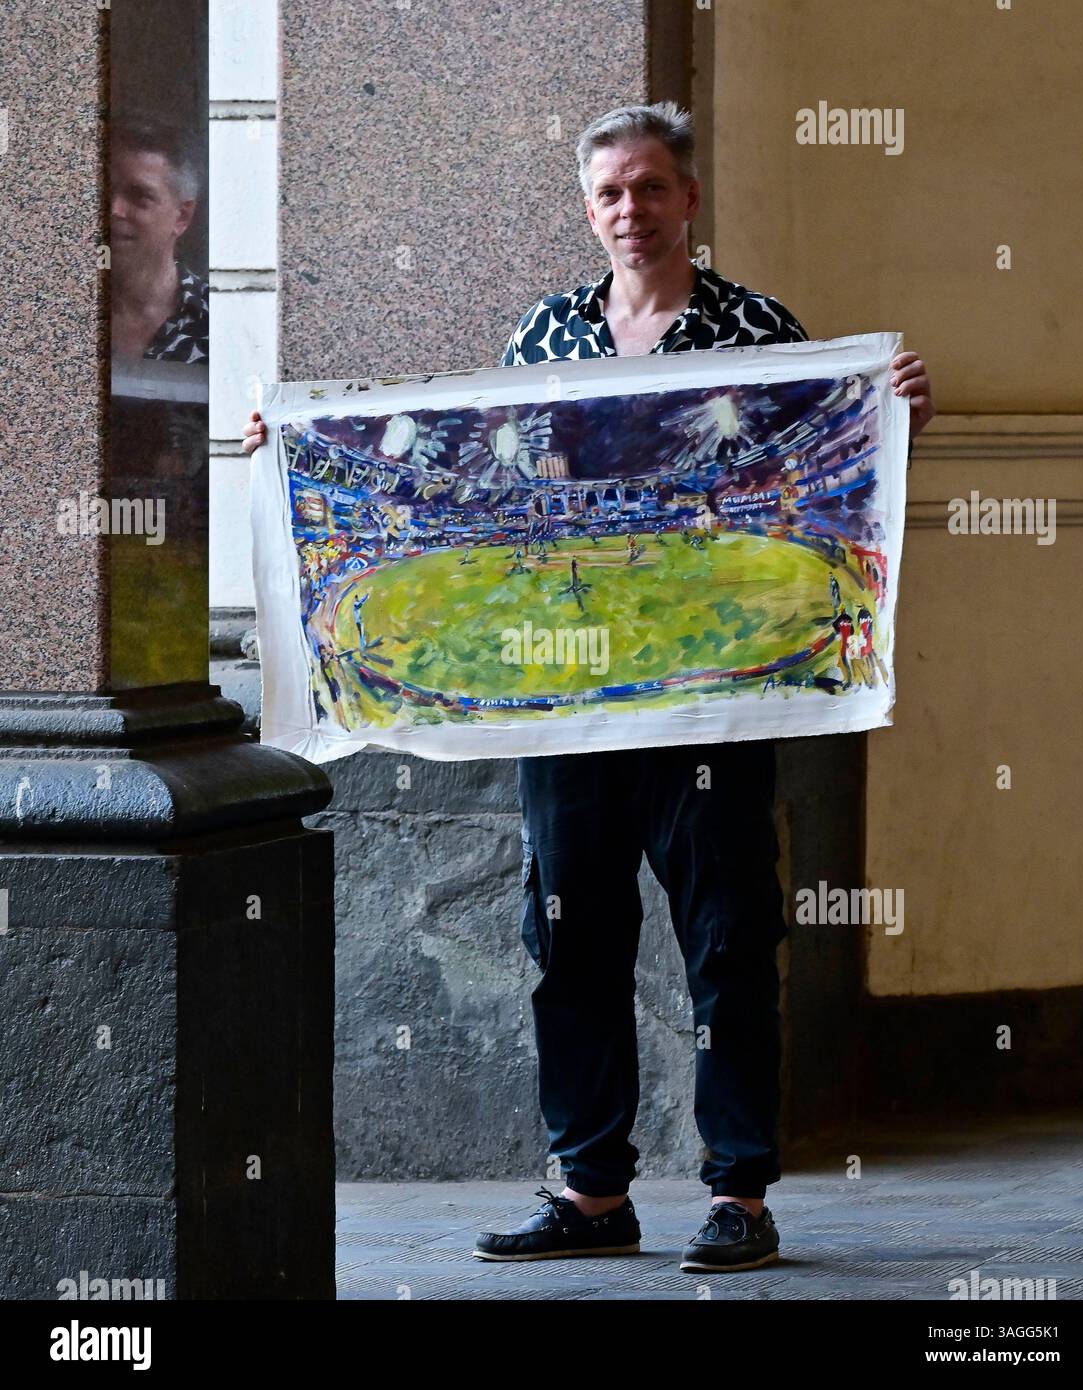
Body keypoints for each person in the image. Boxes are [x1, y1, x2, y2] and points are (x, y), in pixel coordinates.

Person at [241, 101, 935, 1274]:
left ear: (689, 199)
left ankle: (741, 1193)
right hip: (566, 703)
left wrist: (898, 413)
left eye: (652, 188)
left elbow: (829, 458)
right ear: (588, 206)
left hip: (712, 700)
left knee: (724, 941)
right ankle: (593, 1188)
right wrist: (307, 443)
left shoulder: (756, 329)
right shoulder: (546, 332)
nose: (631, 210)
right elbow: (469, 472)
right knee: (570, 944)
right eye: (610, 192)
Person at [111, 117, 208, 363]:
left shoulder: (222, 320)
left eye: (140, 197)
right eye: (103, 190)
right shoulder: (51, 309)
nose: (114, 209)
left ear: (182, 216)